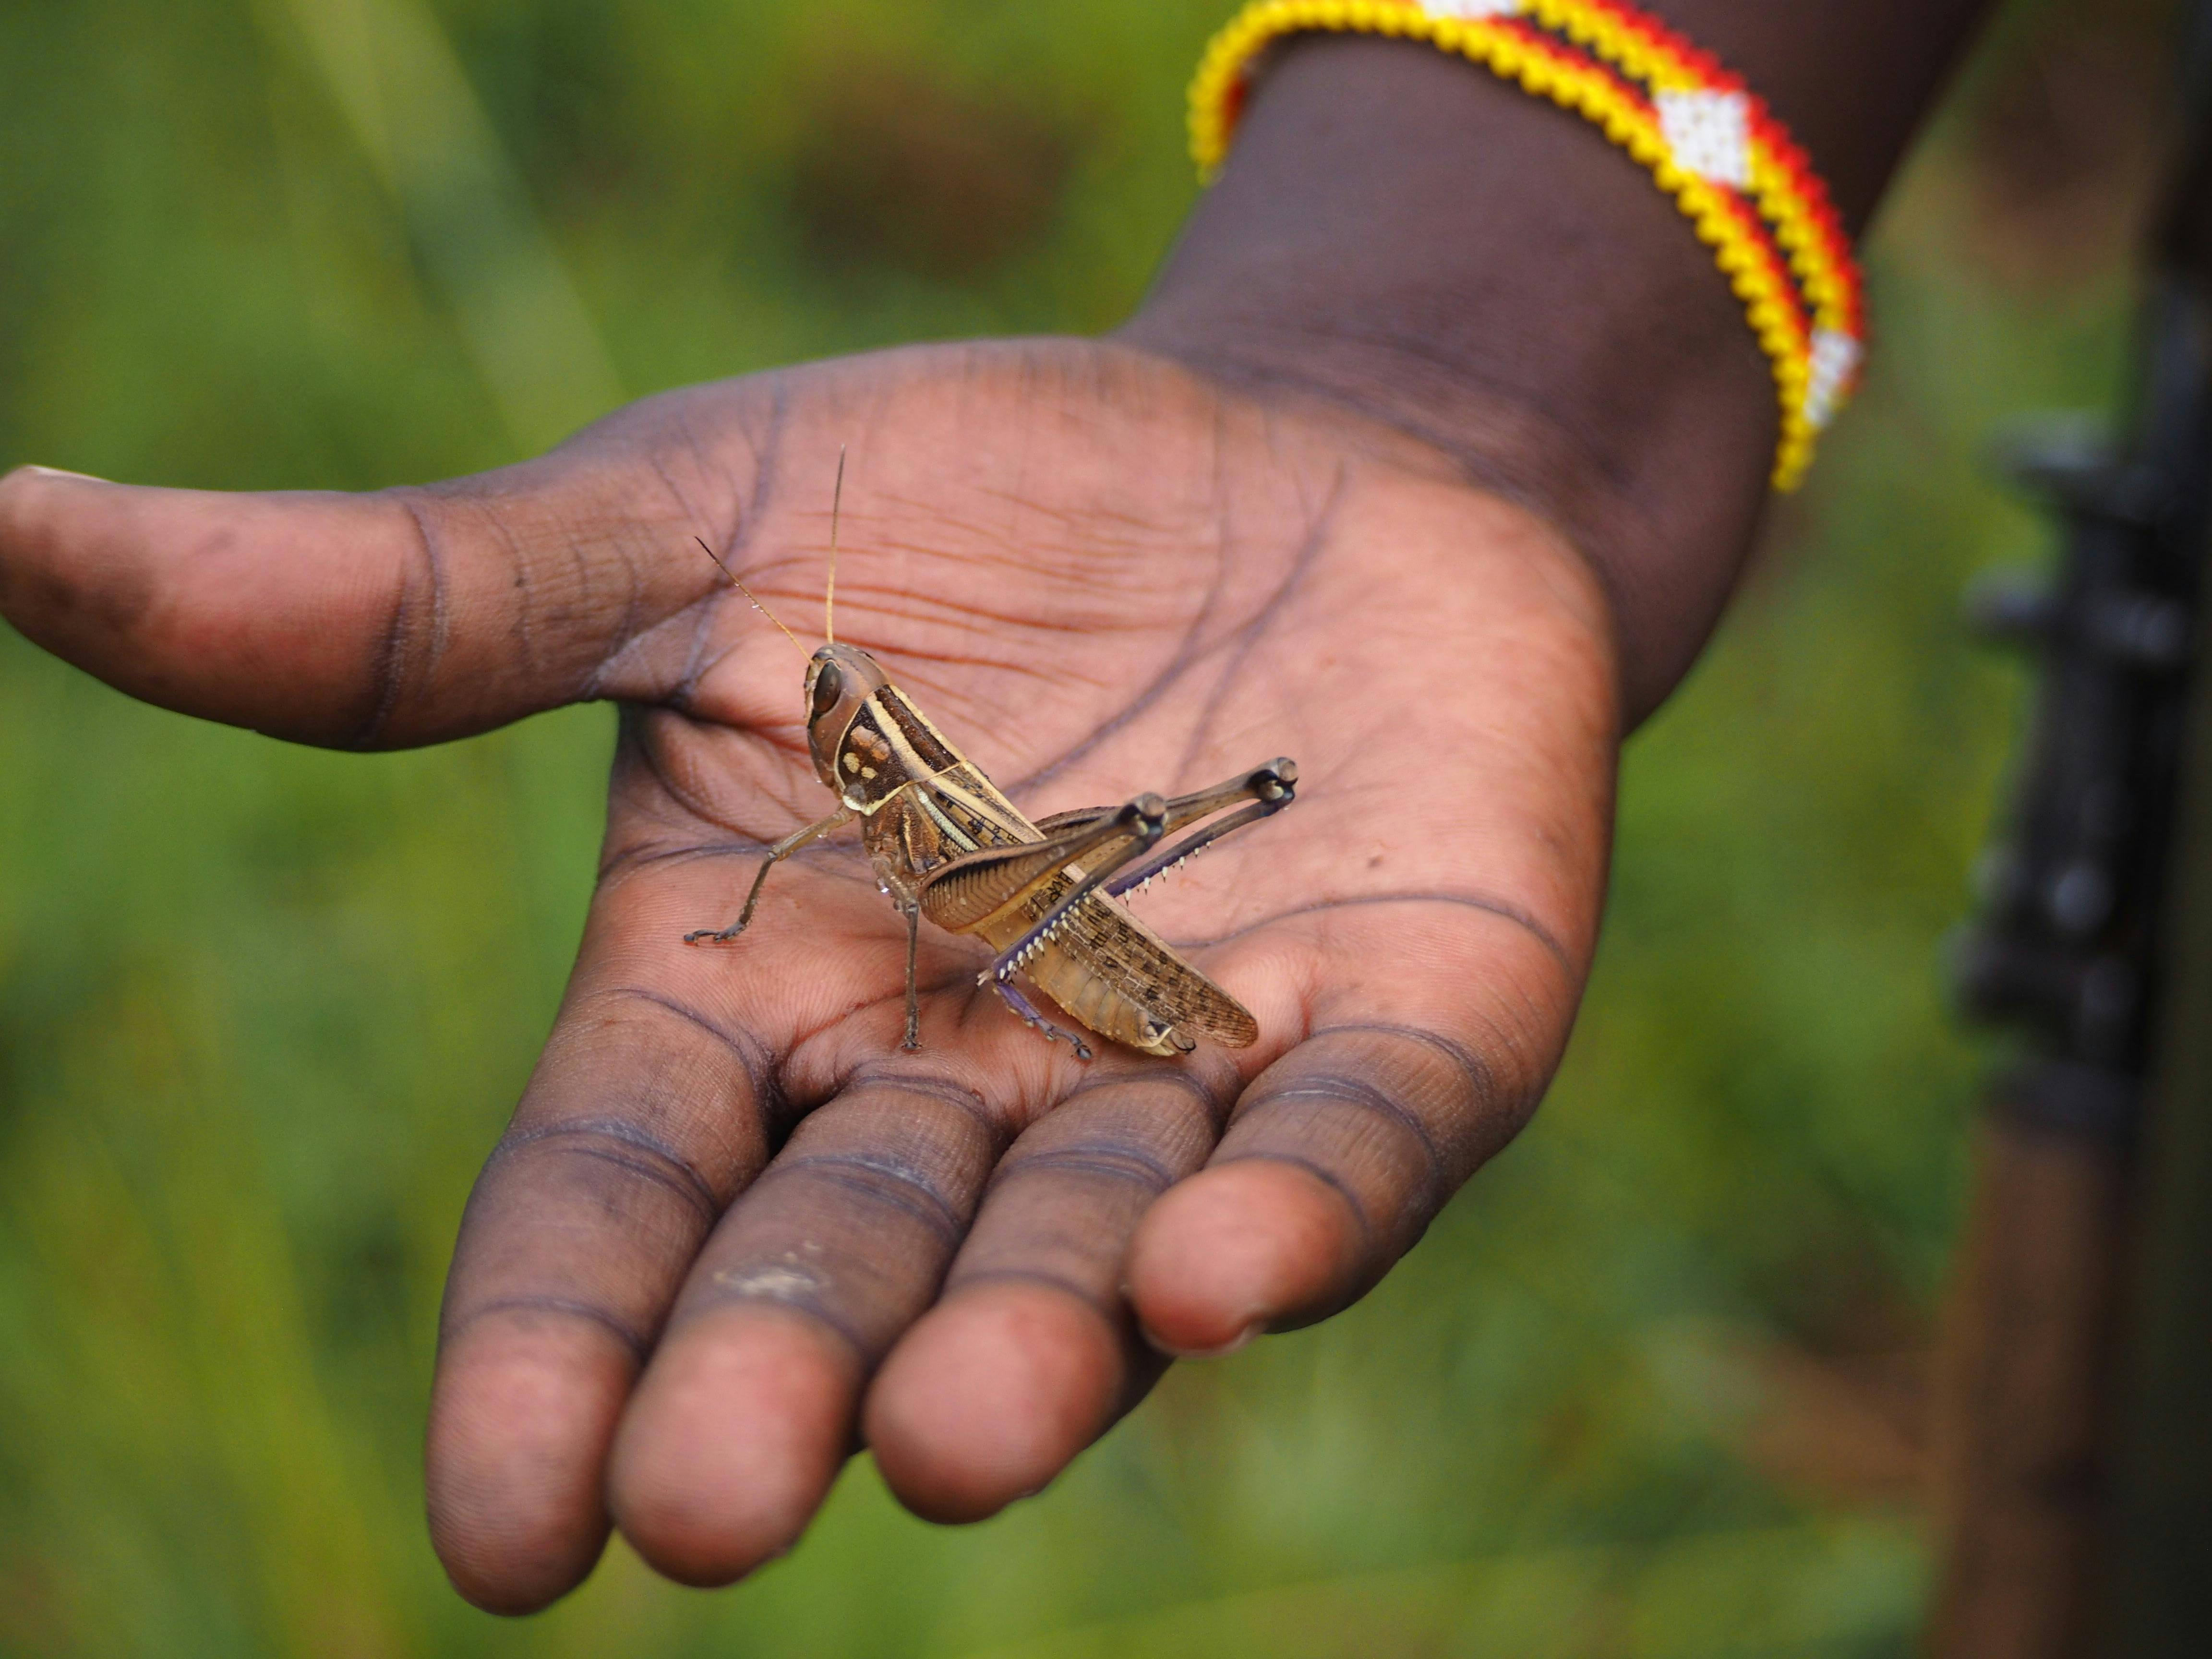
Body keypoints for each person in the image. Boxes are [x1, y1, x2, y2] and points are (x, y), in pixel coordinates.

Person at [0, 0, 1991, 1615]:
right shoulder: (855, 779)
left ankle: (1220, 826)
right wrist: (1430, 364)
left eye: (845, 705)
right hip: (1030, 915)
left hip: (1051, 919)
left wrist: (970, 943)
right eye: (842, 704)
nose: (832, 720)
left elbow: (896, 869)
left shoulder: (890, 813)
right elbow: (852, 841)